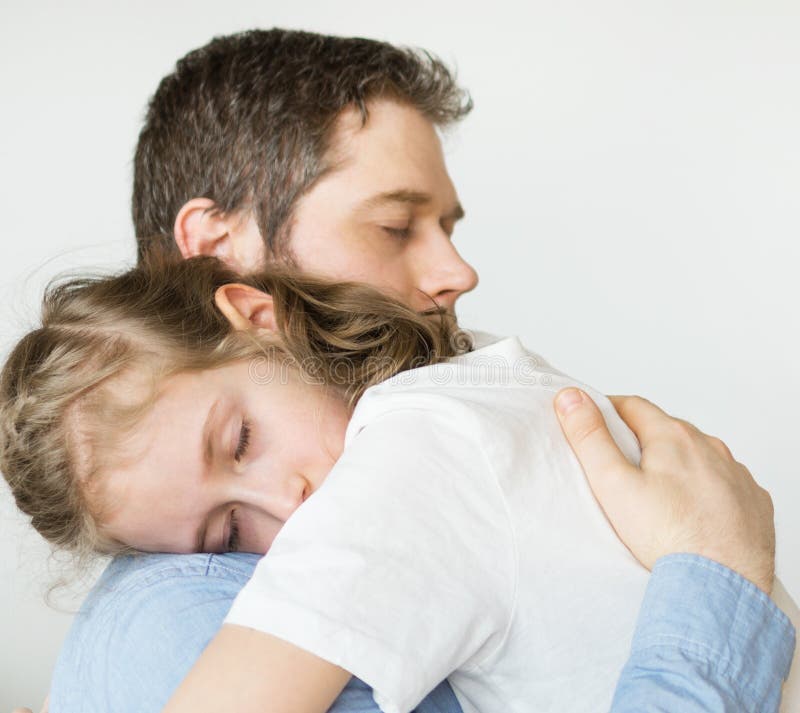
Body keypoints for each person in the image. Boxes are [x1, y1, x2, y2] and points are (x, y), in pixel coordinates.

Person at [8, 28, 795, 713]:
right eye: (394, 225)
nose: (459, 274)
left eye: (443, 225)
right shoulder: (389, 470)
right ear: (226, 266)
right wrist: (722, 573)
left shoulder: (426, 437)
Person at [3, 252, 796, 713]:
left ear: (256, 315)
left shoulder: (407, 468)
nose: (291, 504)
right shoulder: (472, 375)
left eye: (241, 441)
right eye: (231, 534)